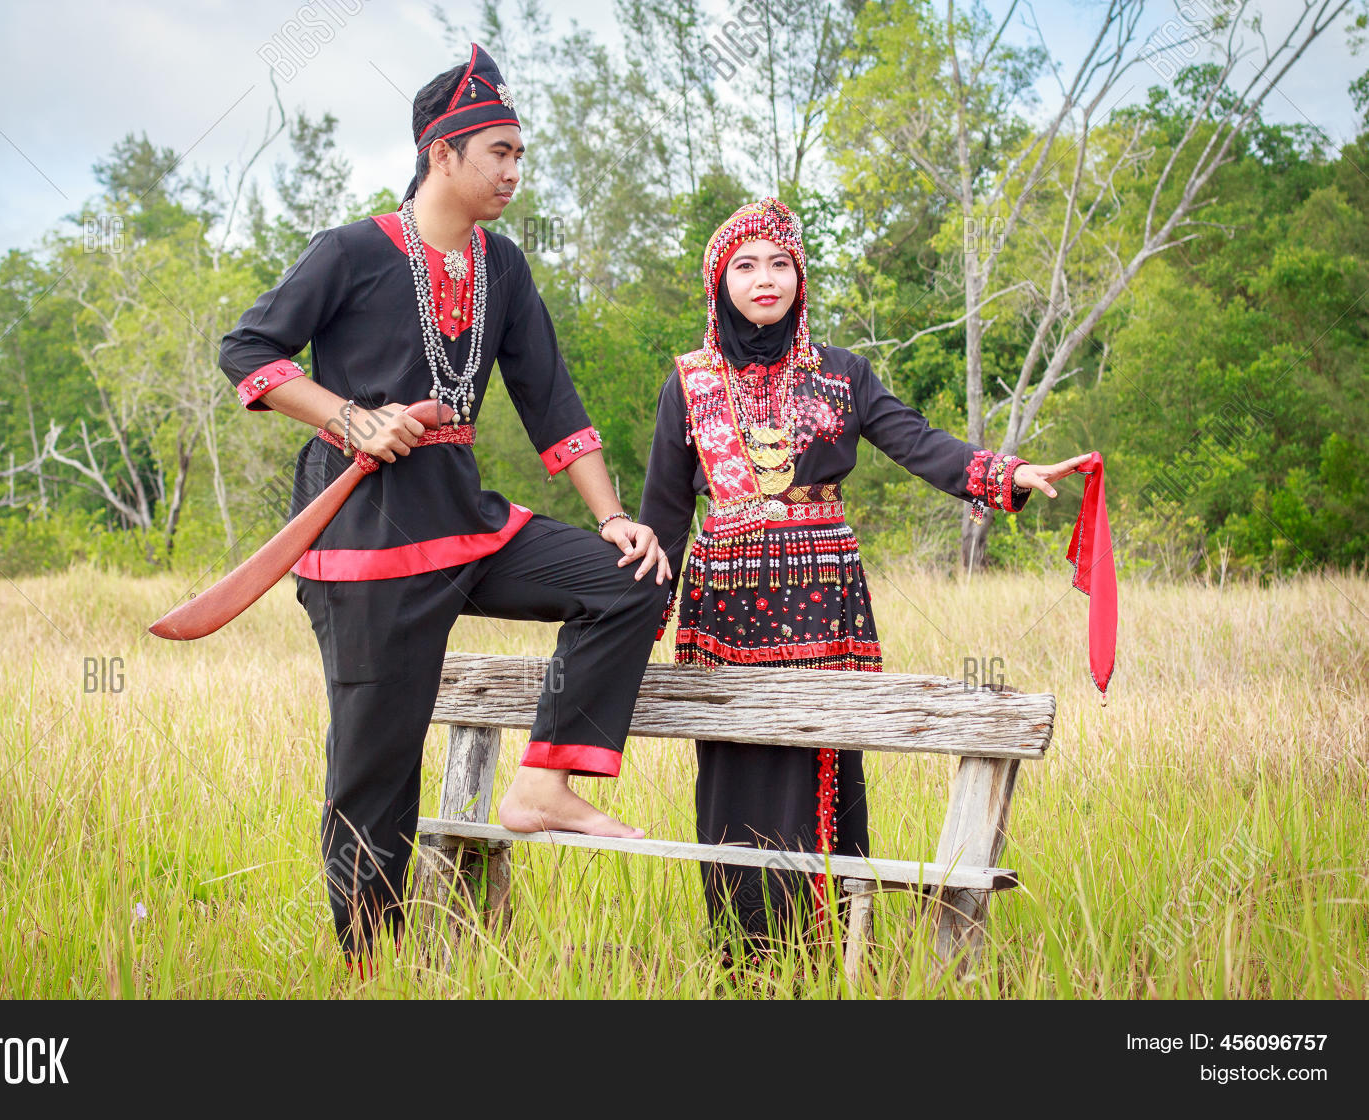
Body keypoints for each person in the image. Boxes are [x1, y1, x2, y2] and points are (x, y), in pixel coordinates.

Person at [218, 44, 672, 971]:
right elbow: (248, 351)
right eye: (499, 152)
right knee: (376, 771)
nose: (513, 171)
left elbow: (551, 402)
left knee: (626, 580)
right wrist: (349, 417)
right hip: (365, 545)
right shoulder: (350, 251)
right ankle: (370, 973)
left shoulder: (504, 266)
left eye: (520, 155)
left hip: (465, 523)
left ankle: (545, 785)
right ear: (443, 153)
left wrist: (613, 517)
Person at [637, 197, 1091, 960]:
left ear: (800, 278)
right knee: (734, 766)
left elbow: (918, 442)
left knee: (822, 756)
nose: (764, 279)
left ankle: (828, 955)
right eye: (745, 266)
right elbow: (663, 513)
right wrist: (632, 618)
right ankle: (746, 959)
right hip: (726, 607)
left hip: (822, 598)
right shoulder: (689, 382)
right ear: (719, 284)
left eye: (780, 264)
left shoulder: (842, 374)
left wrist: (1005, 473)